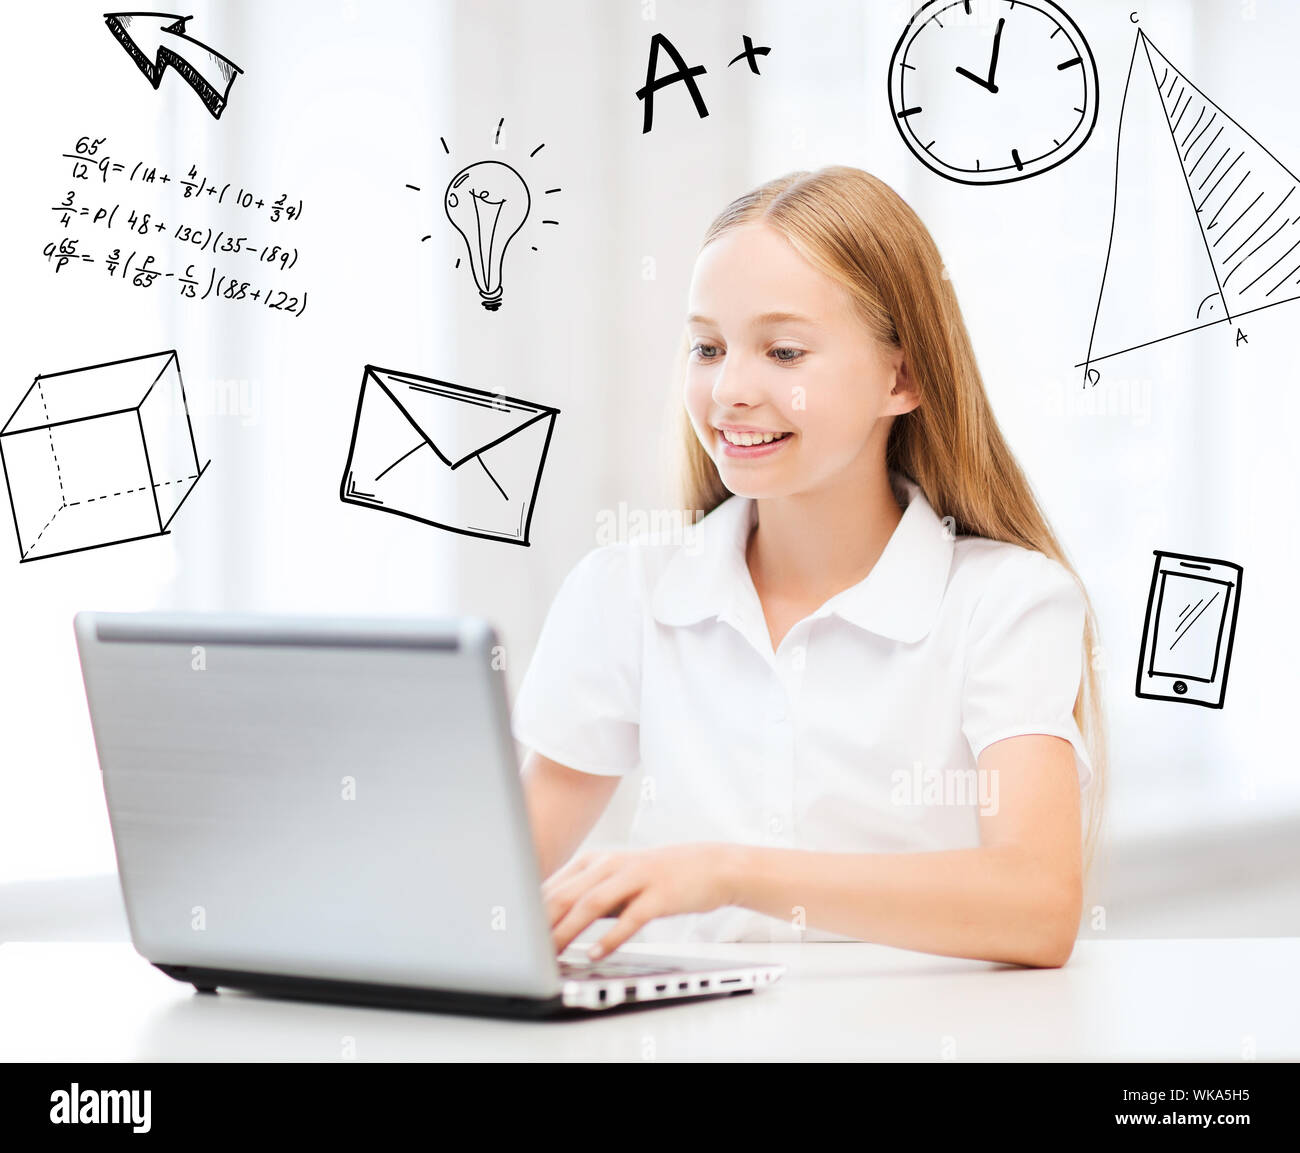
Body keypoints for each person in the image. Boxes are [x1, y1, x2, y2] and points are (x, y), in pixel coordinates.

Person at [511, 166, 1105, 967]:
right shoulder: (624, 592)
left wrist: (727, 871)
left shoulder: (1008, 602)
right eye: (708, 347)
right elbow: (495, 887)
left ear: (903, 377)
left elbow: (1037, 907)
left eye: (783, 351)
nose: (729, 390)